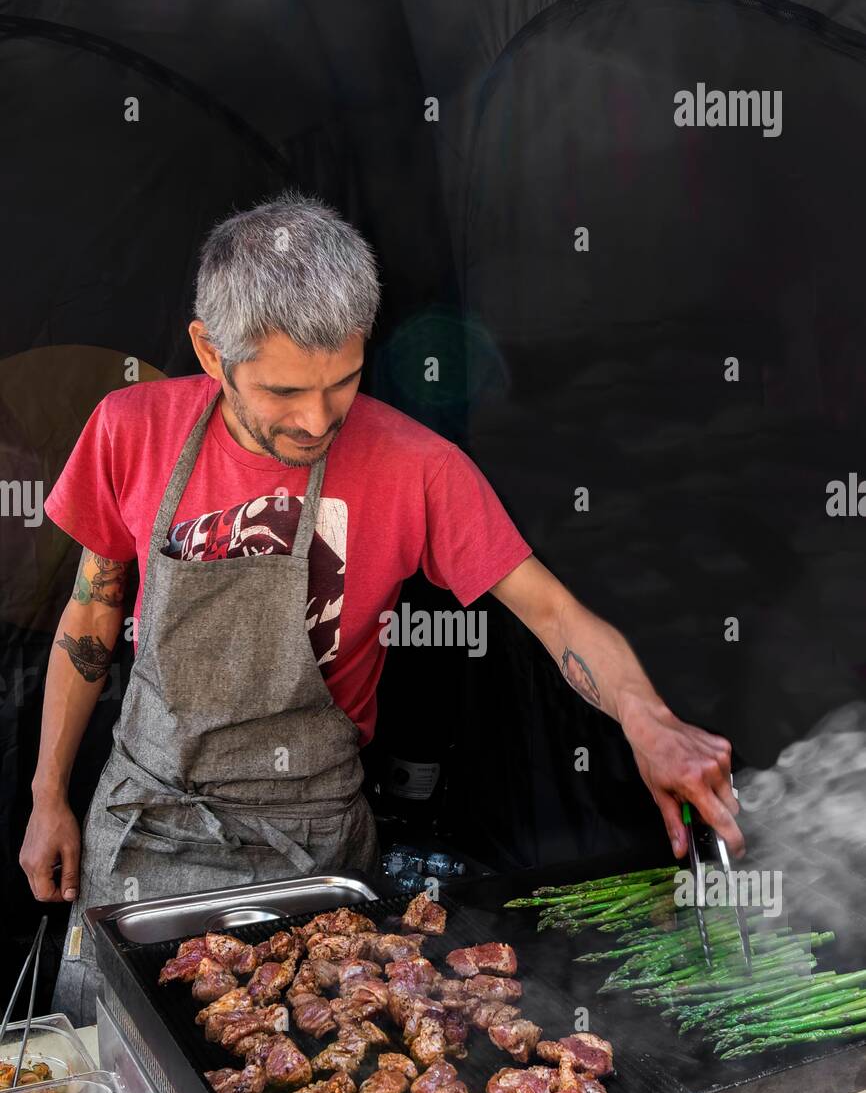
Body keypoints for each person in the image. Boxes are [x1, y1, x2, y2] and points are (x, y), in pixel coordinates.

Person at [20, 191, 742, 1026]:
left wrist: (645, 716)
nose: (319, 420)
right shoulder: (129, 430)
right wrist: (47, 796)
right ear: (210, 354)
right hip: (143, 827)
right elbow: (90, 620)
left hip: (312, 847)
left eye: (344, 383)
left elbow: (553, 612)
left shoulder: (415, 465)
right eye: (286, 391)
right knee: (120, 1066)